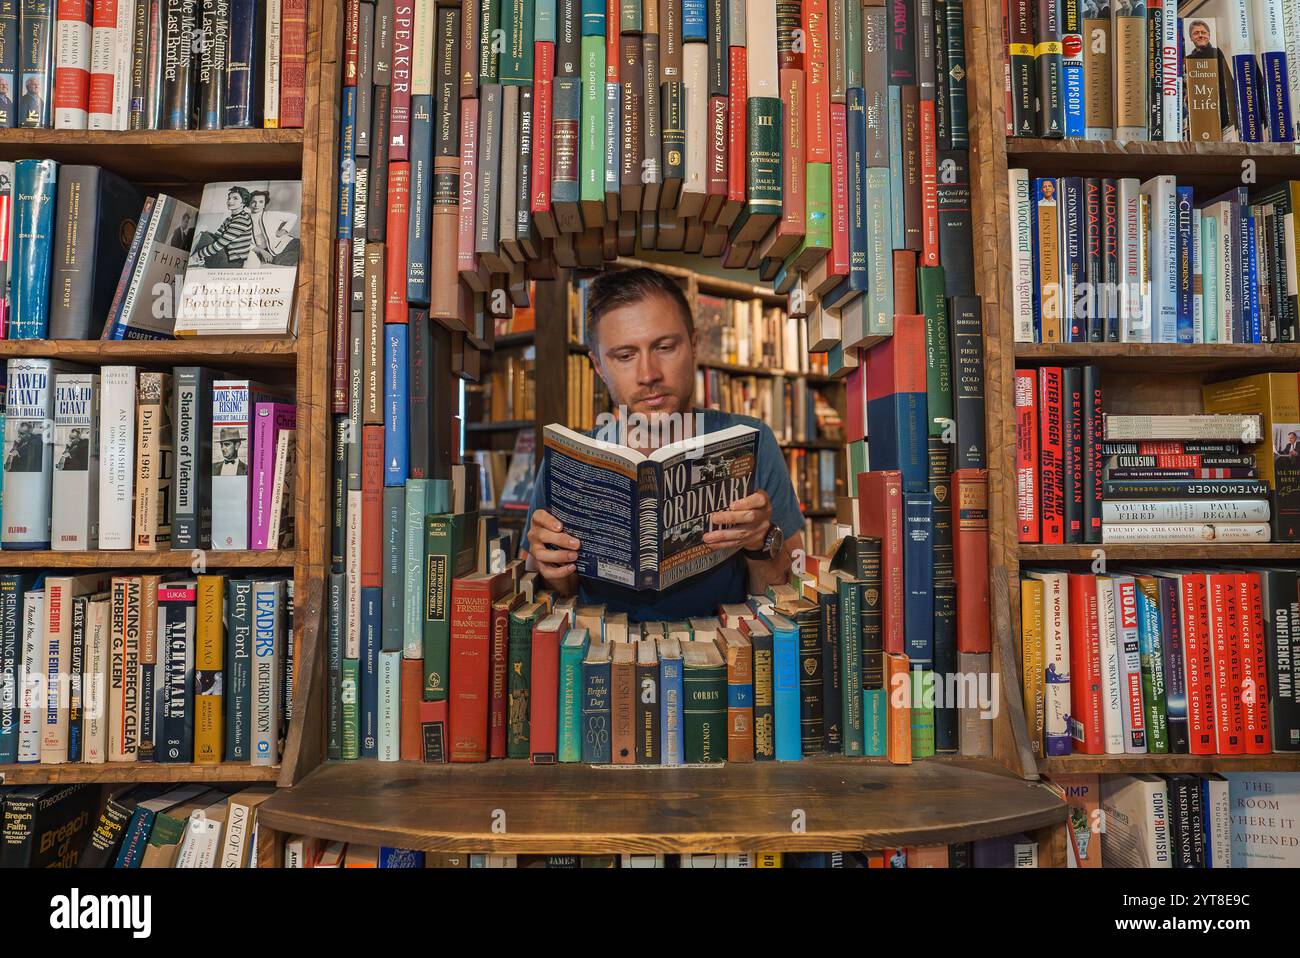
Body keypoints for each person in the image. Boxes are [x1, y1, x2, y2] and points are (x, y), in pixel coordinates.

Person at [523, 267, 804, 622]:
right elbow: (550, 601)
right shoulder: (568, 461)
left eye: (665, 347)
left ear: (694, 344)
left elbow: (788, 596)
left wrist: (759, 544)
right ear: (598, 366)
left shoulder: (752, 441)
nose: (649, 374)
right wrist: (550, 568)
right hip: (599, 658)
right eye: (625, 356)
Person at [1184, 18, 1238, 136]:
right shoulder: (1188, 59)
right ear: (1191, 38)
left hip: (1219, 117)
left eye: (1203, 32)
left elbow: (1227, 88)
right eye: (1196, 33)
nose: (1200, 35)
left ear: (1209, 35)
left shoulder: (1217, 53)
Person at [190, 186, 254, 268]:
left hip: (232, 263)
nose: (230, 201)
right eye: (229, 198)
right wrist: (202, 255)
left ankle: (191, 259)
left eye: (235, 198)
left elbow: (220, 244)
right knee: (205, 233)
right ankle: (194, 259)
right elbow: (217, 237)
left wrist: (198, 254)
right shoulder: (230, 219)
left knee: (204, 236)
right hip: (226, 256)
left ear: (244, 202)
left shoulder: (242, 219)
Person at [247, 189, 301, 266]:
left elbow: (293, 217)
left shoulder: (270, 215)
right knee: (280, 262)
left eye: (261, 202)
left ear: (265, 203)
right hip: (271, 252)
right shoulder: (244, 220)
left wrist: (284, 230)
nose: (257, 205)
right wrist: (260, 251)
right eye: (253, 202)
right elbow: (242, 242)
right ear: (248, 204)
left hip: (289, 244)